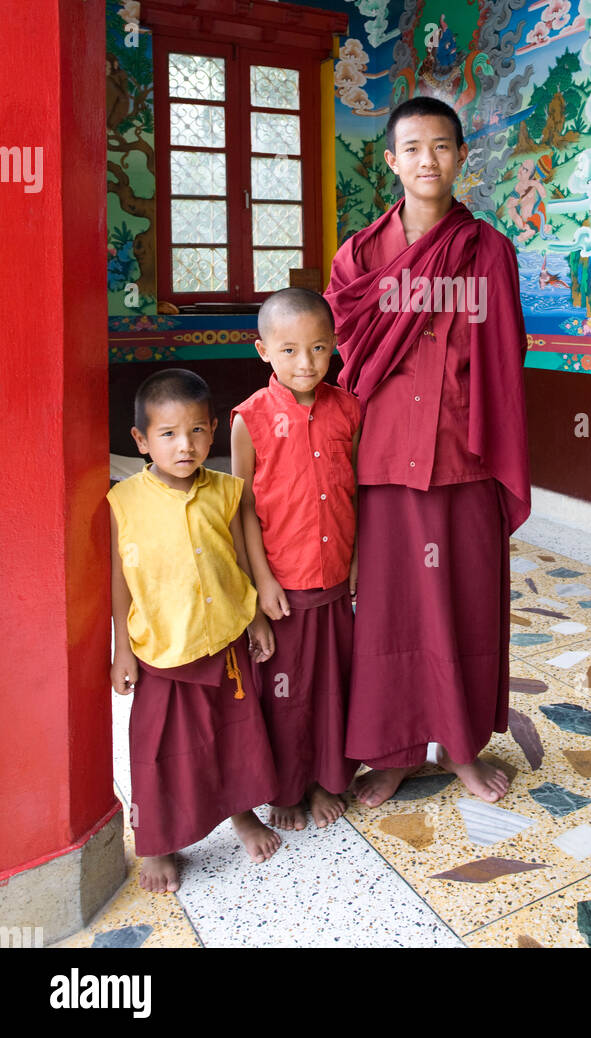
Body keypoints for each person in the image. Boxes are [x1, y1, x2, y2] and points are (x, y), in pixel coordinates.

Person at [324, 95, 530, 807]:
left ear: (461, 156)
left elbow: (504, 358)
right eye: (412, 148)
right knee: (388, 612)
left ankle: (464, 747)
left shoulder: (487, 251)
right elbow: (342, 354)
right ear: (391, 160)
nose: (426, 161)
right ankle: (393, 751)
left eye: (441, 147)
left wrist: (489, 439)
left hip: (460, 453)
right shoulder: (358, 254)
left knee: (466, 603)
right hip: (381, 456)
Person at [108, 369, 280, 894]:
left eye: (198, 432)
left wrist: (254, 617)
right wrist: (122, 650)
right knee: (158, 749)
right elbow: (119, 577)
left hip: (225, 643)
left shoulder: (227, 492)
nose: (185, 446)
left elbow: (241, 562)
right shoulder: (123, 502)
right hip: (162, 649)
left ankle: (242, 813)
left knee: (237, 736)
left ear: (212, 431)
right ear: (140, 440)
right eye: (168, 434)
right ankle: (159, 841)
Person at [231, 289, 361, 831]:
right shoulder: (250, 419)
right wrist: (260, 585)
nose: (305, 363)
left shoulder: (348, 409)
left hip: (335, 582)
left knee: (333, 688)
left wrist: (356, 565)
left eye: (318, 349)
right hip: (283, 586)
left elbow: (358, 490)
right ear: (263, 351)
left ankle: (323, 778)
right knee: (283, 695)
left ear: (335, 348)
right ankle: (284, 789)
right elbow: (240, 512)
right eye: (288, 351)